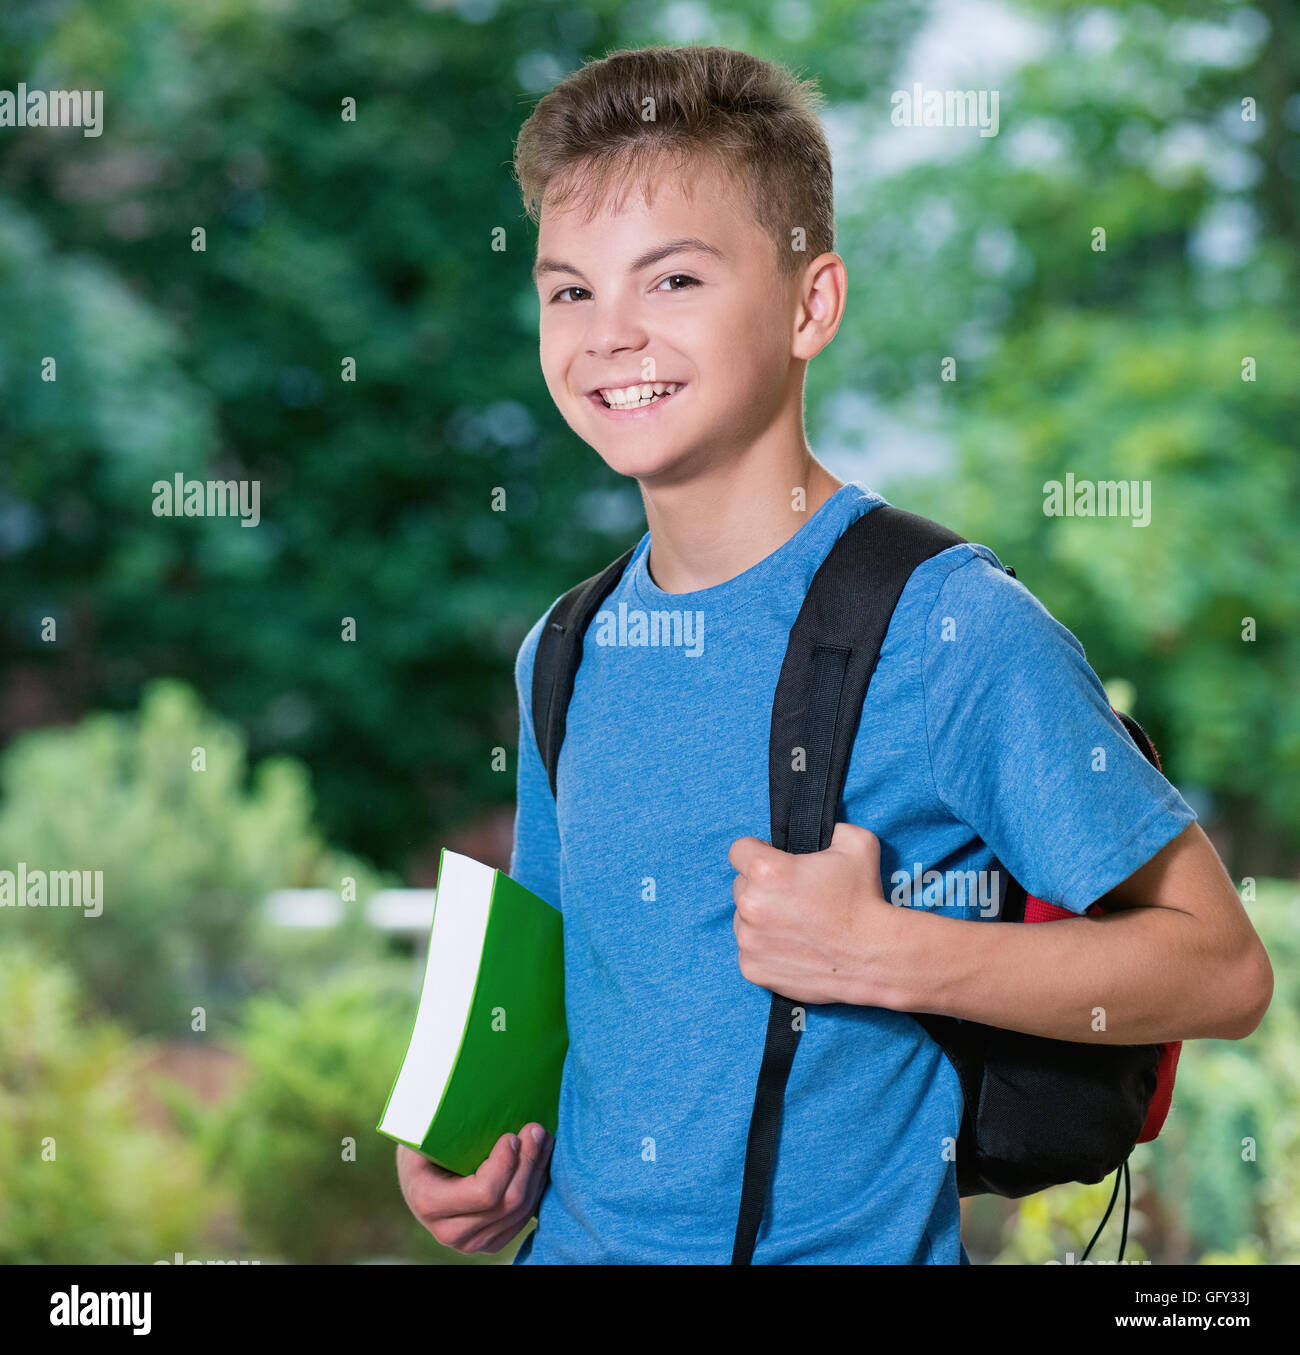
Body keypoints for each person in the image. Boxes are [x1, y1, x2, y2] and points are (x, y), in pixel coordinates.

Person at [397, 44, 1273, 1264]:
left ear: (810, 303)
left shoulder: (947, 627)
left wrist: (889, 951)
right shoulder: (564, 648)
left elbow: (1222, 971)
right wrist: (472, 1151)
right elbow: (561, 985)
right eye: (569, 291)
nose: (610, 336)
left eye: (676, 279)